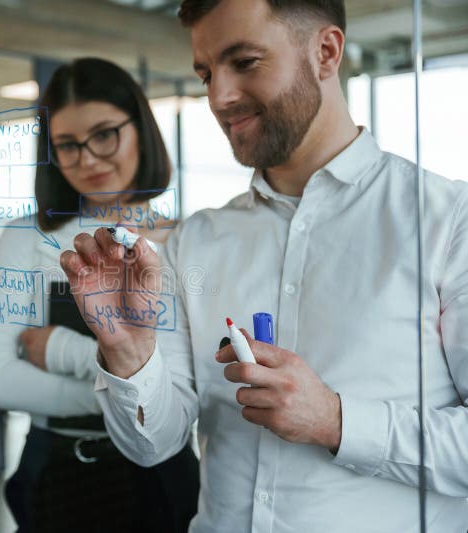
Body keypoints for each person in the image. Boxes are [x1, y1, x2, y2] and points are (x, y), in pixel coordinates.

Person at [59, 1, 468, 532]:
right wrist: (129, 355)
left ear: (325, 52)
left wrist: (338, 421)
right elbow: (152, 445)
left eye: (245, 62)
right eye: (205, 74)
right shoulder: (196, 241)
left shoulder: (449, 221)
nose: (219, 96)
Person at [0, 57, 199, 533]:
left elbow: (191, 391)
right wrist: (134, 399)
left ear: (140, 128)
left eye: (104, 134)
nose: (88, 159)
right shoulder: (27, 237)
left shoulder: (185, 239)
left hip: (162, 479)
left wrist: (60, 350)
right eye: (68, 145)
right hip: (57, 471)